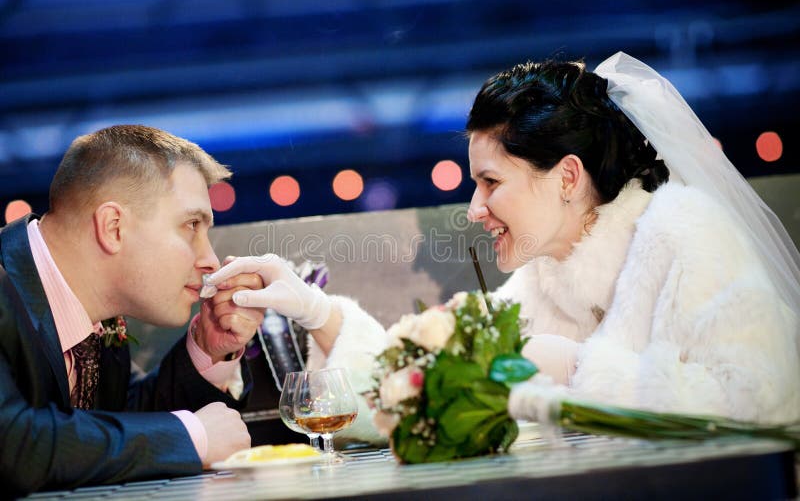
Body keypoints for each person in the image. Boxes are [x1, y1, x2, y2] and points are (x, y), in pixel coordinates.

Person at [206, 52, 800, 434]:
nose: (474, 209)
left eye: (492, 183)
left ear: (568, 177)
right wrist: (314, 310)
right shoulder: (546, 274)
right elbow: (415, 393)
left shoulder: (686, 234)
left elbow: (763, 405)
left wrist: (576, 368)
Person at [0, 125, 268, 496]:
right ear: (114, 227)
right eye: (192, 225)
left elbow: (118, 425)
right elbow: (12, 445)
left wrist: (208, 350)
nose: (210, 261)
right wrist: (190, 436)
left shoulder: (103, 313)